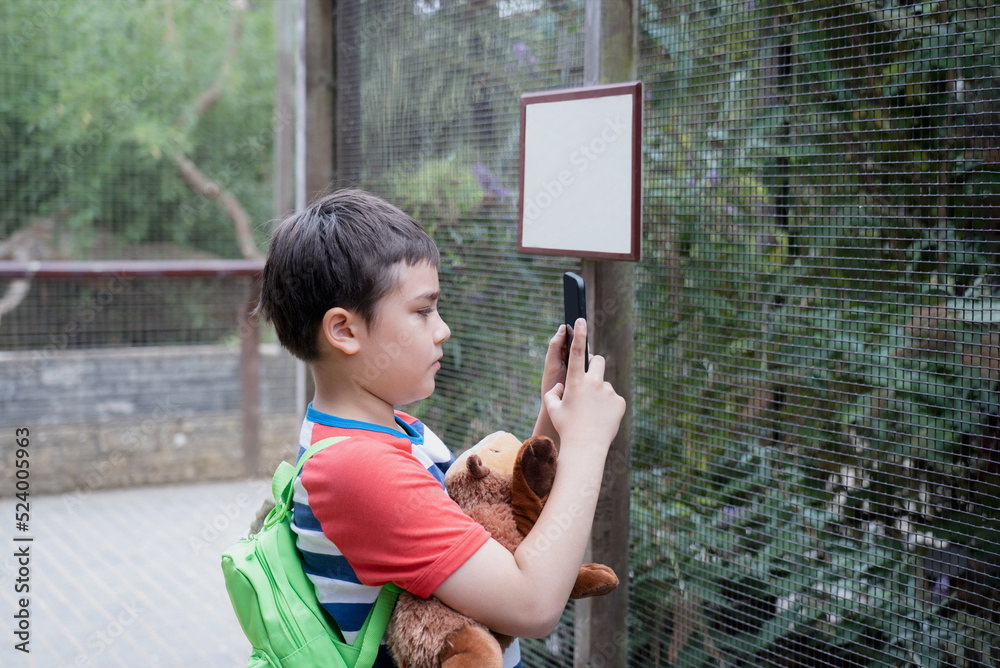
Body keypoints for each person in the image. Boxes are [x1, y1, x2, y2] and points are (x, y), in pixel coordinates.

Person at [254, 189, 626, 667]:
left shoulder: (388, 431)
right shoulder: (358, 469)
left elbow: (499, 525)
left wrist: (554, 420)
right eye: (423, 310)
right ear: (344, 330)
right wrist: (589, 444)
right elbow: (532, 605)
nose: (442, 328)